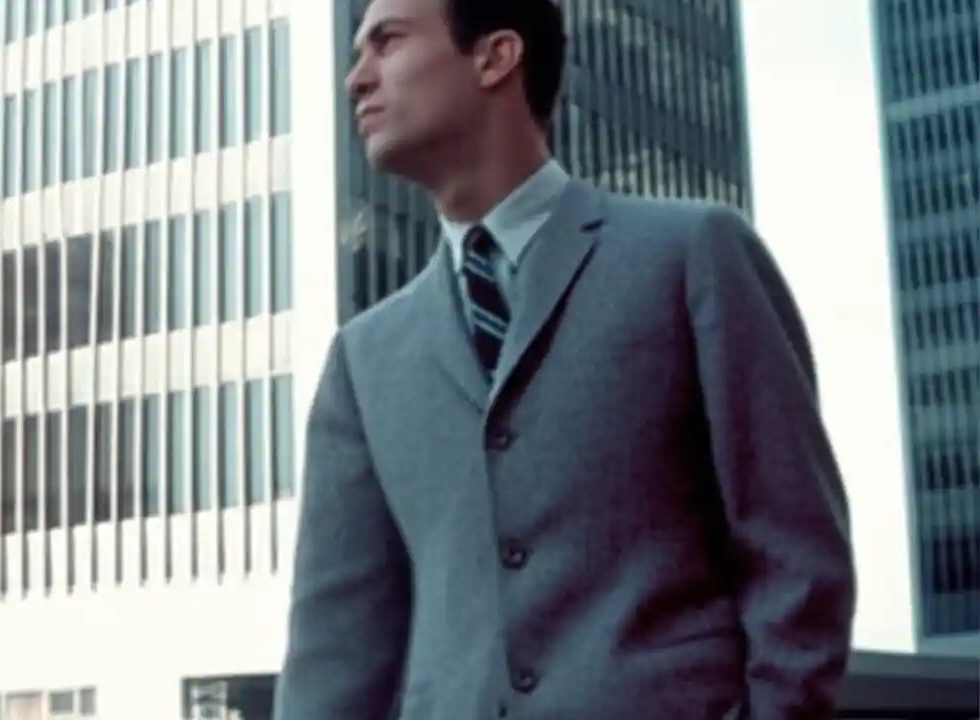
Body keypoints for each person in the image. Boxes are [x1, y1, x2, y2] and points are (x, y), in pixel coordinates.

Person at [272, 0, 857, 718]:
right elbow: (336, 653)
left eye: (386, 42)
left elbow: (795, 557)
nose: (355, 79)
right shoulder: (364, 359)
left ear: (496, 56)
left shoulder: (691, 255)